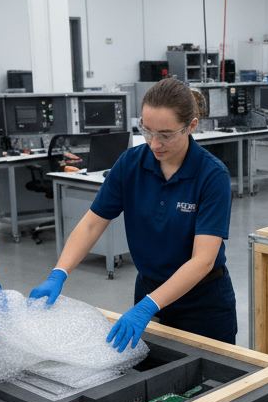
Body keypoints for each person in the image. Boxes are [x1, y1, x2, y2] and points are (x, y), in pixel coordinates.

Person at [29, 78, 237, 350]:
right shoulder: (131, 164)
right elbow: (93, 223)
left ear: (191, 127)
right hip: (149, 289)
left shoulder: (211, 176)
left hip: (202, 302)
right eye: (147, 131)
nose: (154, 143)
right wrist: (59, 272)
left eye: (165, 134)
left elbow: (203, 261)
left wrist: (148, 306)